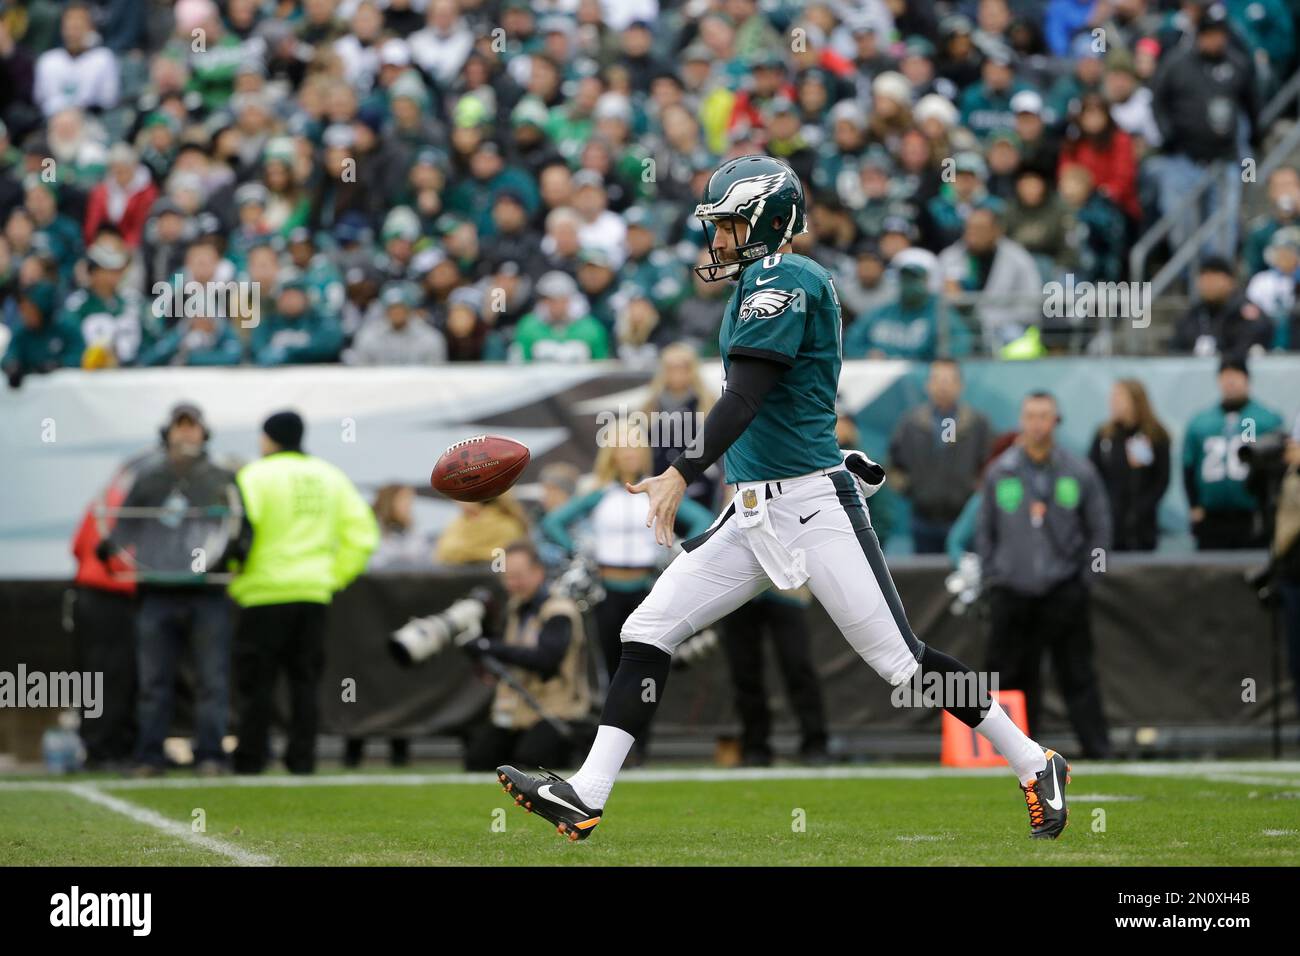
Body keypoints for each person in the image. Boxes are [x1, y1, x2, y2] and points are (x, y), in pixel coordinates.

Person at [498, 155, 1074, 843]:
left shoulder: (787, 277)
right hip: (751, 512)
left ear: (767, 222)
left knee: (903, 663)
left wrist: (682, 468)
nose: (718, 241)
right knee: (645, 631)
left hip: (810, 506)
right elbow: (752, 403)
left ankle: (1033, 760)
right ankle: (587, 793)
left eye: (730, 225)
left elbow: (743, 399)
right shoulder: (758, 283)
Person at [227, 411, 379, 774]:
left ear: (268, 439)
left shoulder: (253, 476)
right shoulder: (330, 477)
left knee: (257, 684)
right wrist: (331, 577)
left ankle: (251, 759)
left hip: (262, 593)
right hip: (312, 593)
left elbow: (234, 534)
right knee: (305, 682)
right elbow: (364, 536)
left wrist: (235, 574)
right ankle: (302, 760)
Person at [96, 402, 239, 776]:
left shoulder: (221, 478)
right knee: (153, 682)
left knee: (212, 680)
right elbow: (126, 525)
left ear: (204, 433)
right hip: (157, 590)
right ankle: (149, 756)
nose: (186, 434)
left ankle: (210, 755)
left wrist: (240, 549)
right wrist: (111, 545)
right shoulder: (149, 477)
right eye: (180, 427)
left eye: (193, 427)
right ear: (168, 433)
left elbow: (239, 525)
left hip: (207, 590)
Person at [977, 391, 1113, 759]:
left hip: (1063, 588)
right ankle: (1014, 754)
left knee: (1077, 674)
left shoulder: (1078, 471)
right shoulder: (1000, 471)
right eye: (1031, 416)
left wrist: (1087, 579)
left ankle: (1098, 749)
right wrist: (993, 575)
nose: (1037, 423)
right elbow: (984, 532)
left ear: (1056, 421)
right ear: (1022, 420)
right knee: (1012, 677)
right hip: (1012, 590)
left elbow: (1099, 530)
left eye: (1044, 416)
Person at [541, 425, 713, 684]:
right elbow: (552, 523)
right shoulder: (599, 494)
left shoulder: (659, 490)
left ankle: (642, 724)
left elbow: (703, 518)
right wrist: (578, 551)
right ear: (612, 454)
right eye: (622, 447)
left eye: (635, 446)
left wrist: (680, 552)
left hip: (647, 589)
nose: (630, 453)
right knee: (611, 664)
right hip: (606, 591)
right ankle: (612, 722)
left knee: (646, 664)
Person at [462, 539, 591, 772]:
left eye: (518, 576)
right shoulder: (515, 607)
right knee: (478, 758)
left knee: (531, 760)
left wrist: (489, 646)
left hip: (554, 711)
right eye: (507, 577)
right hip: (516, 711)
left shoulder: (559, 611)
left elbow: (546, 660)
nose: (511, 583)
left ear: (538, 572)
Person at [887, 358, 992, 552]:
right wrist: (914, 490)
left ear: (960, 386)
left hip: (965, 520)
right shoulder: (910, 424)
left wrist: (974, 490)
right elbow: (894, 464)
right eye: (937, 380)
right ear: (928, 385)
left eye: (948, 380)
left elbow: (989, 464)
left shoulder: (977, 424)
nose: (943, 386)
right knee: (926, 577)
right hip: (922, 520)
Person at [1183, 359, 1286, 549]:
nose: (1230, 382)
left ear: (1247, 379)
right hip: (1212, 515)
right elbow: (1188, 466)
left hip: (1253, 514)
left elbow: (1279, 466)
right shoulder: (1201, 422)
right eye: (1226, 376)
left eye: (1236, 375)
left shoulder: (1266, 419)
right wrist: (1194, 504)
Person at [1088, 379, 1171, 551]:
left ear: (1136, 401)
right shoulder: (1104, 437)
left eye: (1119, 398)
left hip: (1143, 527)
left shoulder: (1155, 436)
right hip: (1109, 525)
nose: (1113, 403)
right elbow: (1092, 475)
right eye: (1112, 398)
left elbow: (1161, 480)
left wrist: (1141, 508)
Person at [435, 493, 530, 565]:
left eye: (462, 496)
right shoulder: (457, 525)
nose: (457, 501)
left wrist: (467, 554)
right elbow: (444, 552)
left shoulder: (507, 527)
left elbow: (504, 556)